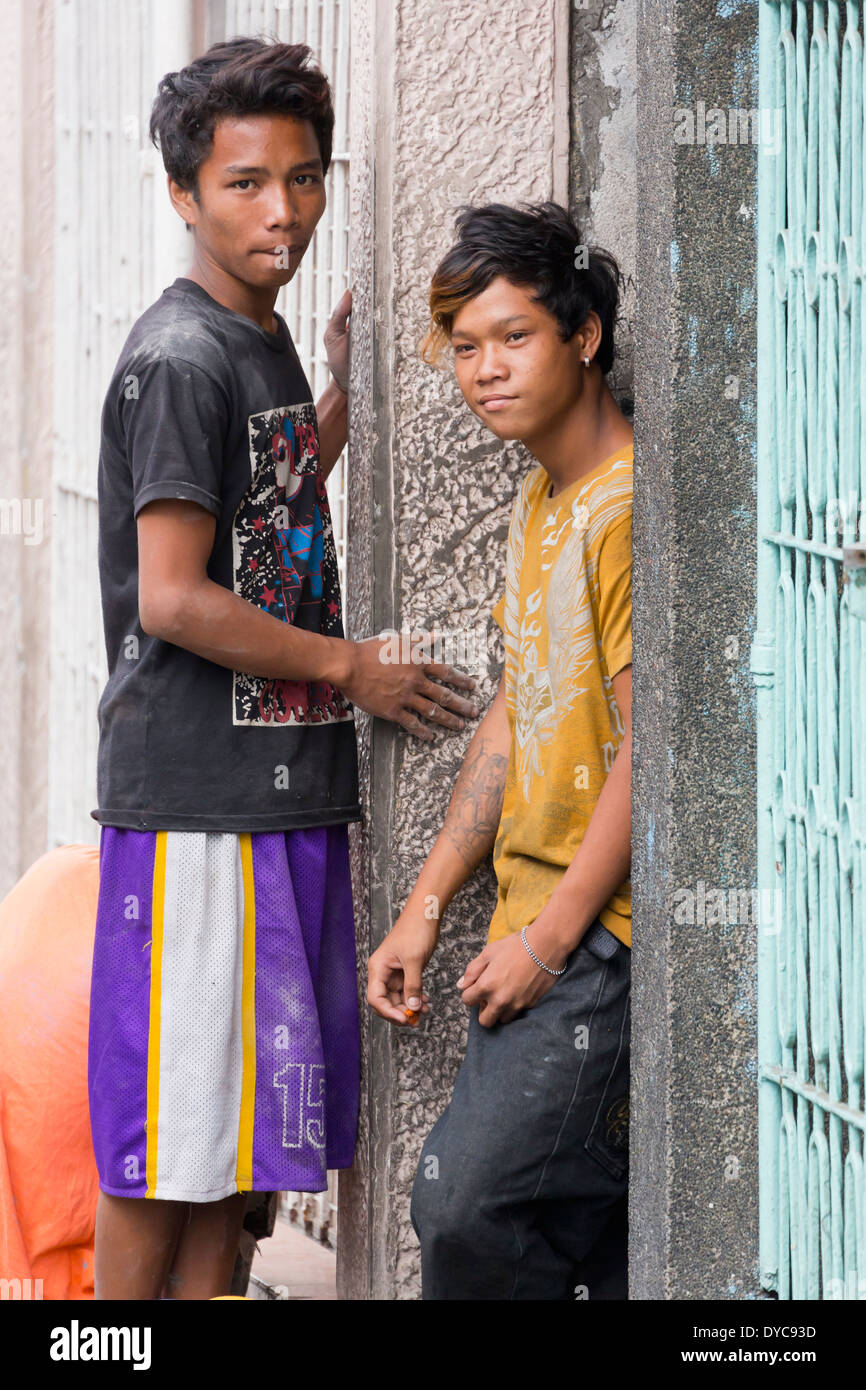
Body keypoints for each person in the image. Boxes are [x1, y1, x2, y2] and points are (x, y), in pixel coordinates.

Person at [89, 35, 479, 1301]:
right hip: (202, 806)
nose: (285, 210)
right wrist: (353, 667)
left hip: (282, 797)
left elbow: (249, 504)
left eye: (304, 177)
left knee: (243, 1149)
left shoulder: (257, 338)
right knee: (165, 1142)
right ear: (182, 195)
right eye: (247, 183)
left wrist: (332, 420)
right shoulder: (183, 356)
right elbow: (173, 592)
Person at [367, 201, 634, 1299]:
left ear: (582, 337)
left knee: (462, 1207)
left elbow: (655, 749)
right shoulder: (543, 498)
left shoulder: (625, 511)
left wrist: (549, 942)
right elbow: (519, 710)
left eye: (513, 337)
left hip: (595, 943)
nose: (484, 370)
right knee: (593, 1235)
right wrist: (426, 903)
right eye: (464, 347)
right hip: (533, 927)